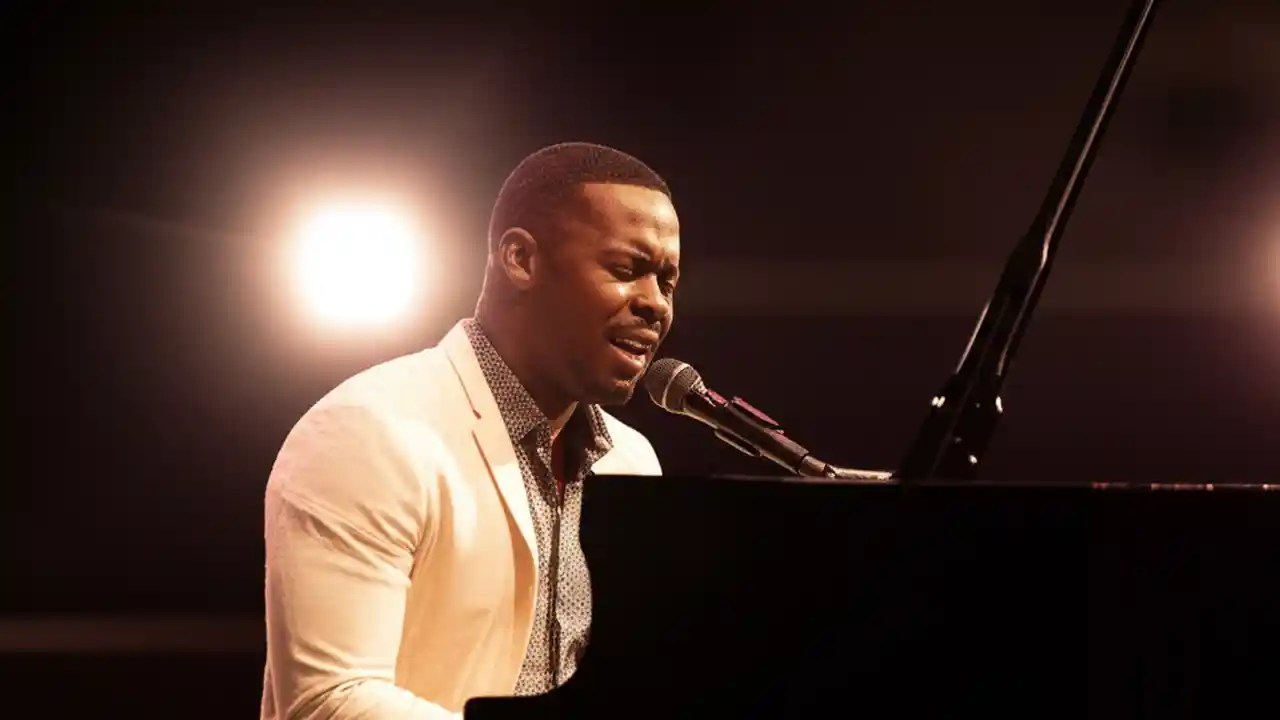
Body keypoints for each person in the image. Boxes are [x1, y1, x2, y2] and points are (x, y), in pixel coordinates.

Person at [260, 141, 681, 719]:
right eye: (627, 269)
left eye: (668, 281)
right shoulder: (367, 432)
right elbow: (329, 702)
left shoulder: (630, 463)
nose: (655, 304)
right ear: (521, 260)